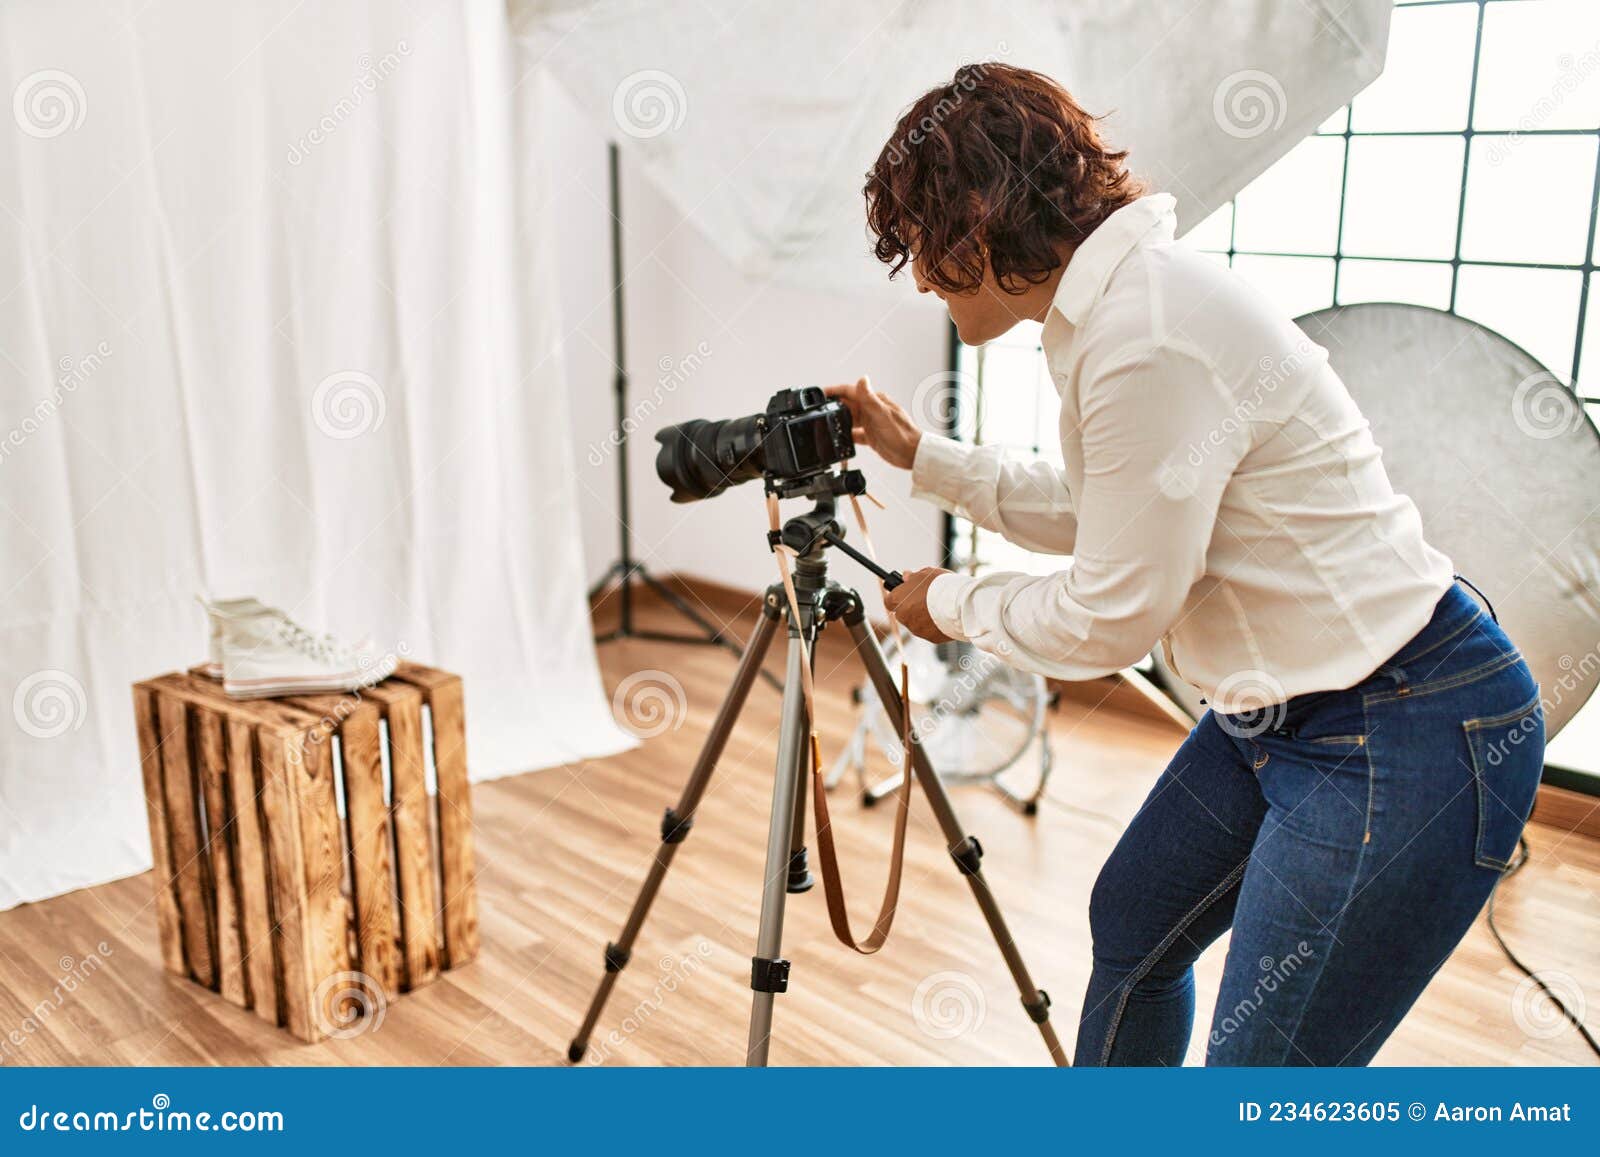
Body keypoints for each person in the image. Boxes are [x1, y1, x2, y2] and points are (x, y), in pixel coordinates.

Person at [830, 63, 1546, 1066]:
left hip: (1405, 720)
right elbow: (1115, 514)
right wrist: (925, 459)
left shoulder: (1143, 333)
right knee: (1132, 926)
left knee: (1260, 1072)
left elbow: (1110, 614)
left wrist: (950, 601)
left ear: (981, 225)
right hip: (1281, 712)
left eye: (920, 244)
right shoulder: (1118, 311)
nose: (917, 276)